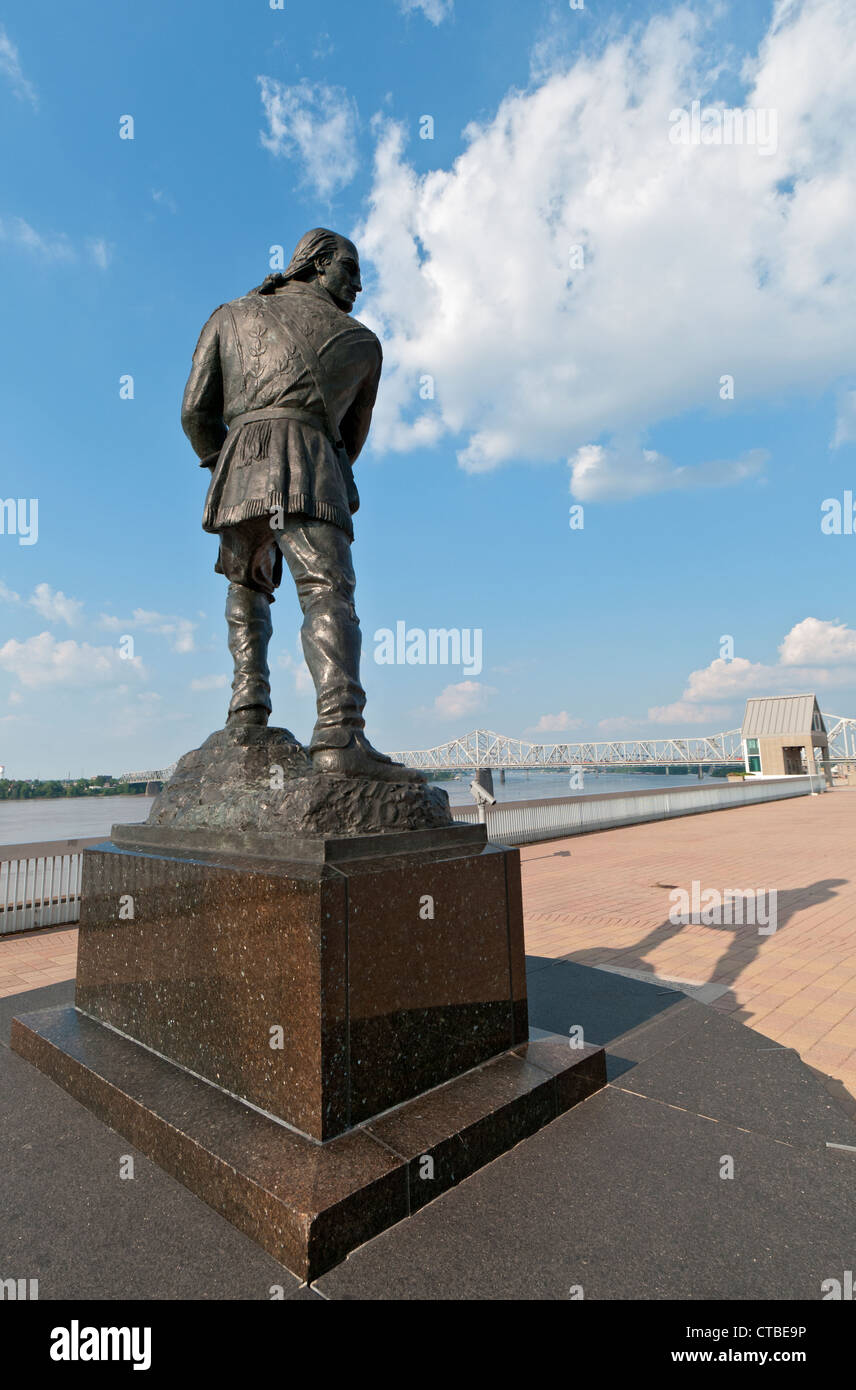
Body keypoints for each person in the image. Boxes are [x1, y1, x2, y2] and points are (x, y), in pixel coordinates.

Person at [181, 228, 420, 782]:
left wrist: (228, 463)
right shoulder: (362, 343)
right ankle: (340, 733)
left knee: (246, 588)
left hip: (239, 467)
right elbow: (351, 440)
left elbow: (195, 412)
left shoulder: (228, 315)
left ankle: (247, 713)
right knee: (326, 592)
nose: (359, 283)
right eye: (349, 268)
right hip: (312, 465)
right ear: (315, 265)